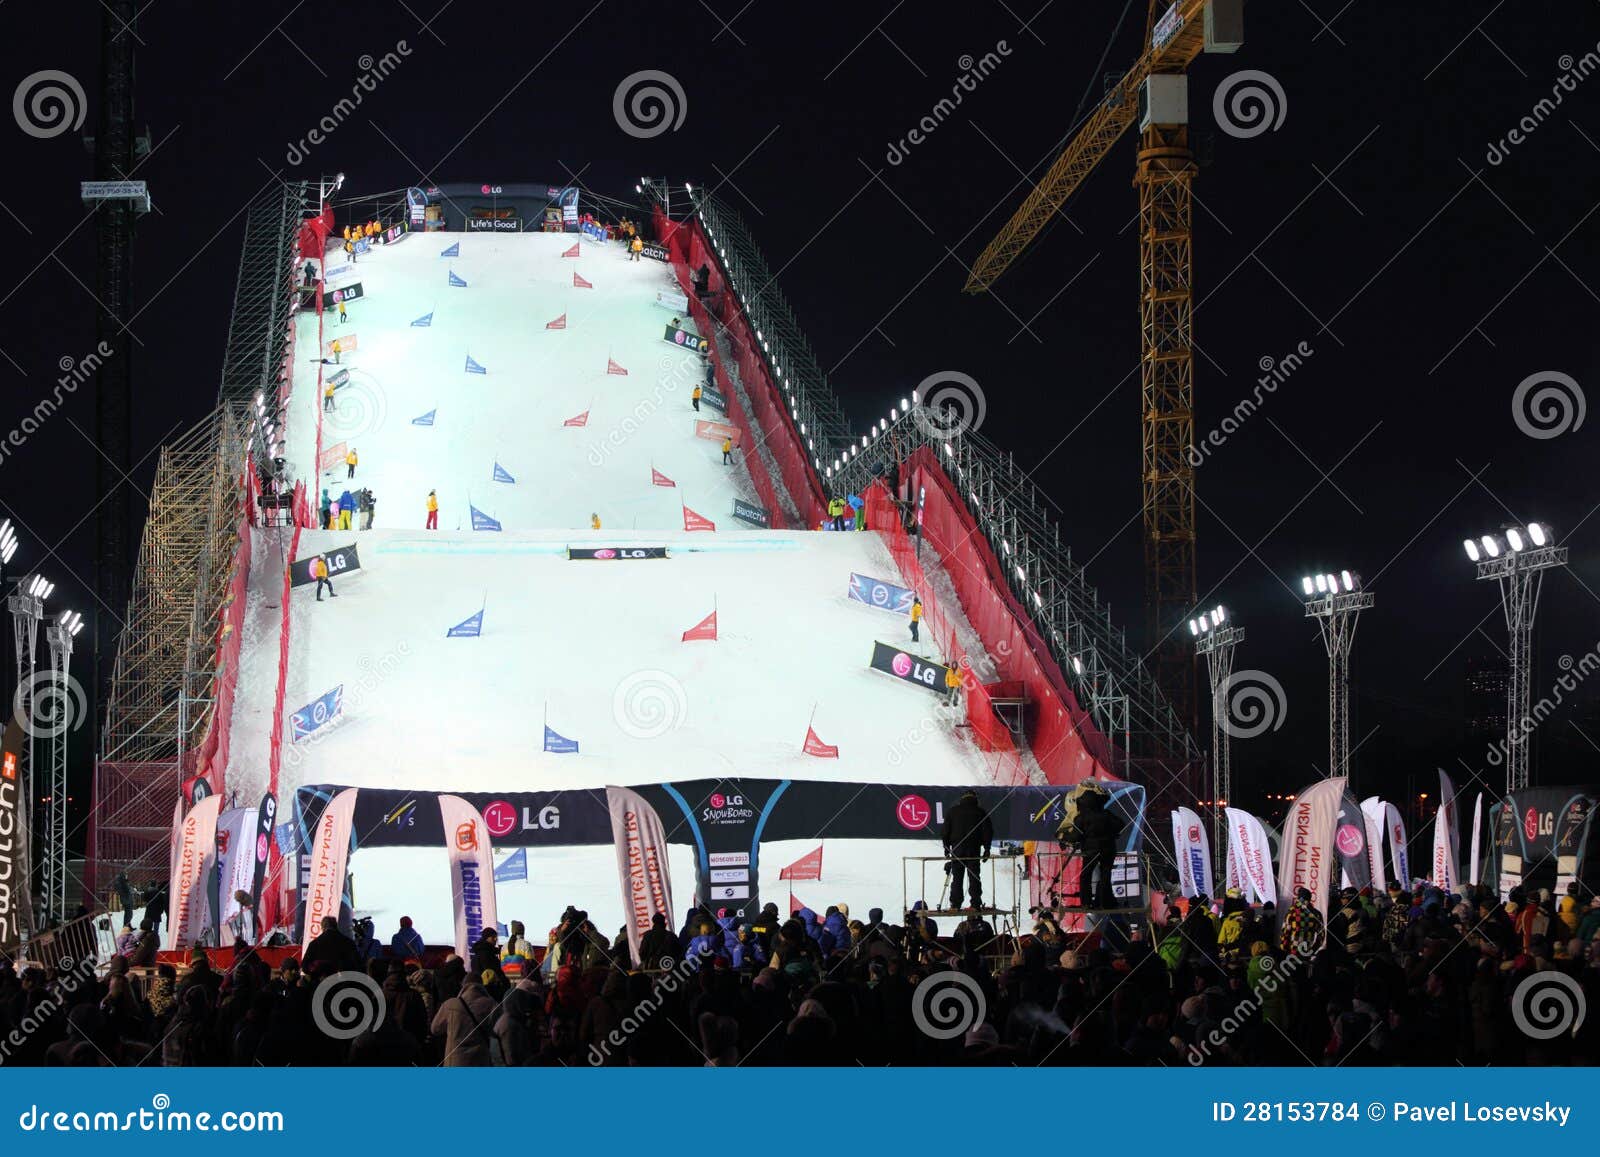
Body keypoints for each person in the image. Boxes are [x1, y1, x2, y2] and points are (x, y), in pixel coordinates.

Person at [941, 788, 992, 910]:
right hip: (974, 849)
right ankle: (975, 903)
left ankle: (955, 904)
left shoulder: (952, 811)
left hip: (957, 848)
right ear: (975, 799)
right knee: (974, 877)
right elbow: (987, 832)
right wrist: (987, 849)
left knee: (957, 877)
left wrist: (947, 848)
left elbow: (945, 832)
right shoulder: (980, 812)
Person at [1075, 789, 1124, 909]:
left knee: (1086, 875)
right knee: (1105, 875)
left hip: (1090, 850)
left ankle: (1086, 903)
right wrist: (1112, 833)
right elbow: (1120, 824)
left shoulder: (1082, 817)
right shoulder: (1106, 814)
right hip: (1108, 849)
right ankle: (1103, 902)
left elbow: (1076, 834)